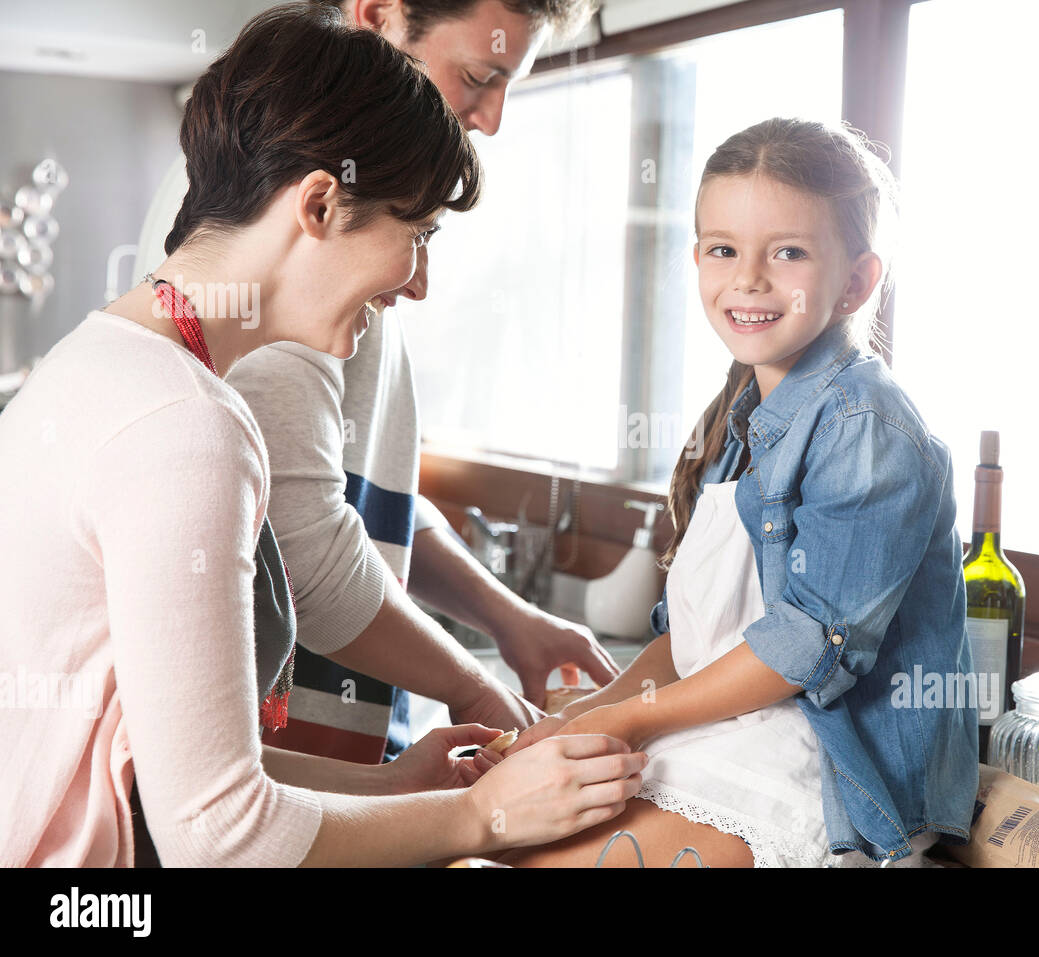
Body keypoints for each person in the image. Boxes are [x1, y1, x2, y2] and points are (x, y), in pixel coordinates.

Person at [0, 3, 642, 868]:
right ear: (319, 205)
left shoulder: (99, 362)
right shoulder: (185, 427)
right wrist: (484, 818)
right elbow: (219, 838)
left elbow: (182, 768)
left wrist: (400, 787)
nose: (416, 283)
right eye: (414, 236)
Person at [134, 0, 615, 770]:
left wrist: (506, 618)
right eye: (480, 75)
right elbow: (303, 541)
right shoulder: (291, 254)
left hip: (328, 747)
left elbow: (346, 487)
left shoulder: (335, 235)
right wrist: (471, 686)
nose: (490, 118)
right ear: (380, 14)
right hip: (278, 747)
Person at [501, 118, 979, 867]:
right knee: (500, 835)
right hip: (726, 734)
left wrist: (629, 721)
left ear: (857, 280)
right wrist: (585, 716)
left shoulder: (866, 423)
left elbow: (803, 648)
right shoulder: (740, 420)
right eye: (724, 250)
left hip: (830, 776)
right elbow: (692, 639)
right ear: (696, 260)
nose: (749, 278)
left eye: (788, 252)